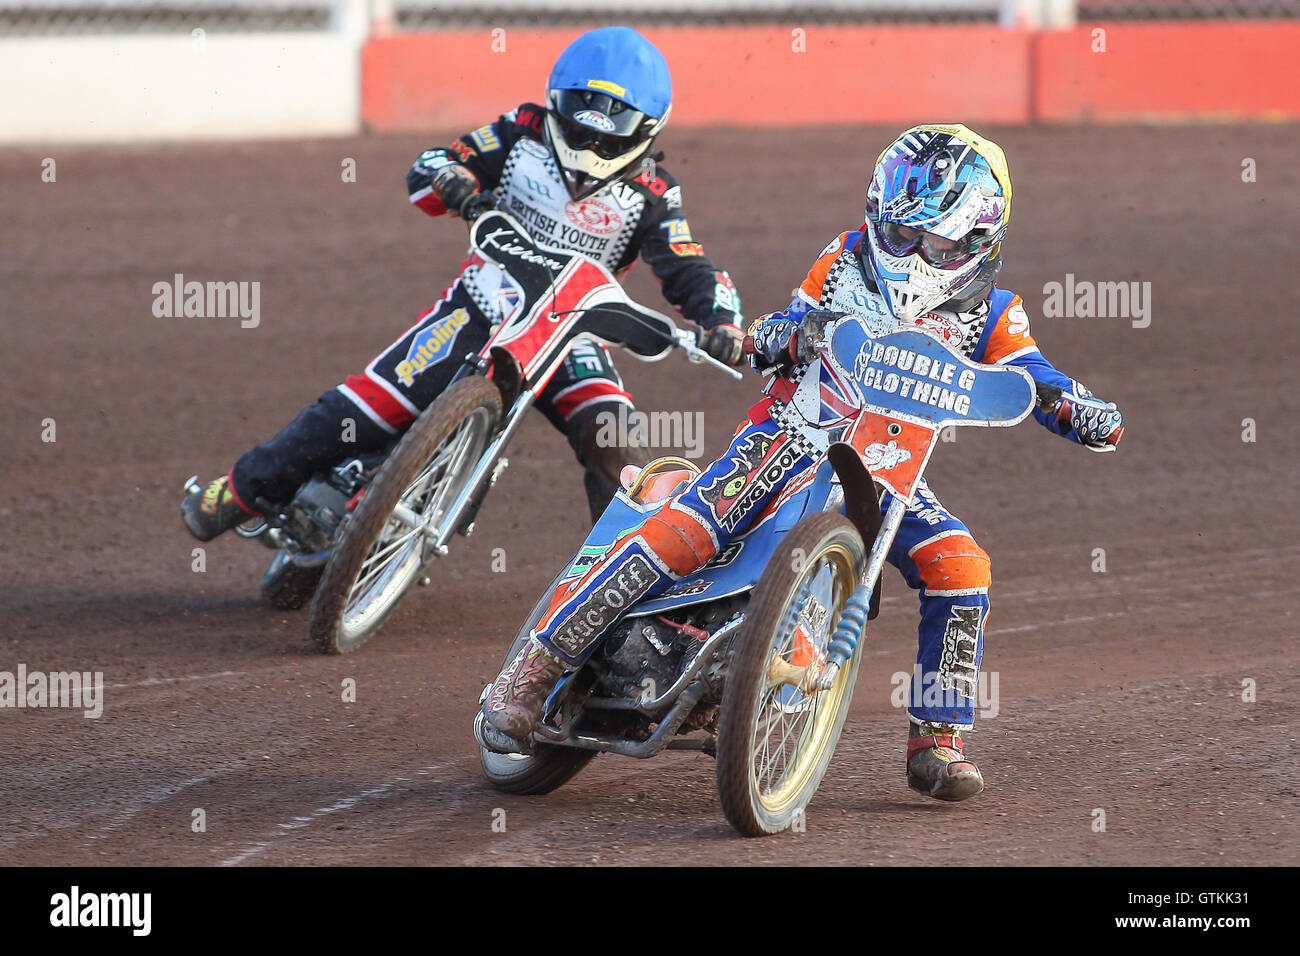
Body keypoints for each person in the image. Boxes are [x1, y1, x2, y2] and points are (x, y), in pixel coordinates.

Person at [479, 124, 1124, 802]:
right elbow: (770, 331)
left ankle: (937, 738)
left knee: (962, 566)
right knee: (688, 531)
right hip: (786, 436)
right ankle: (535, 668)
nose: (903, 250)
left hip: (888, 474)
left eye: (924, 240)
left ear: (972, 241)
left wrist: (1082, 410)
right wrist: (793, 334)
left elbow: (1032, 374)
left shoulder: (995, 312)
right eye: (895, 231)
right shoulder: (844, 259)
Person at [181, 26, 745, 551]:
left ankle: (619, 594)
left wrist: (720, 322)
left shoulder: (653, 193)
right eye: (581, 115)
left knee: (618, 447)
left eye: (611, 124)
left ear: (647, 131)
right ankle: (238, 490)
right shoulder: (521, 131)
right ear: (555, 102)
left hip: (574, 336)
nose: (593, 135)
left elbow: (689, 266)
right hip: (483, 301)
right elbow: (435, 164)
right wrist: (452, 179)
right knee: (365, 405)